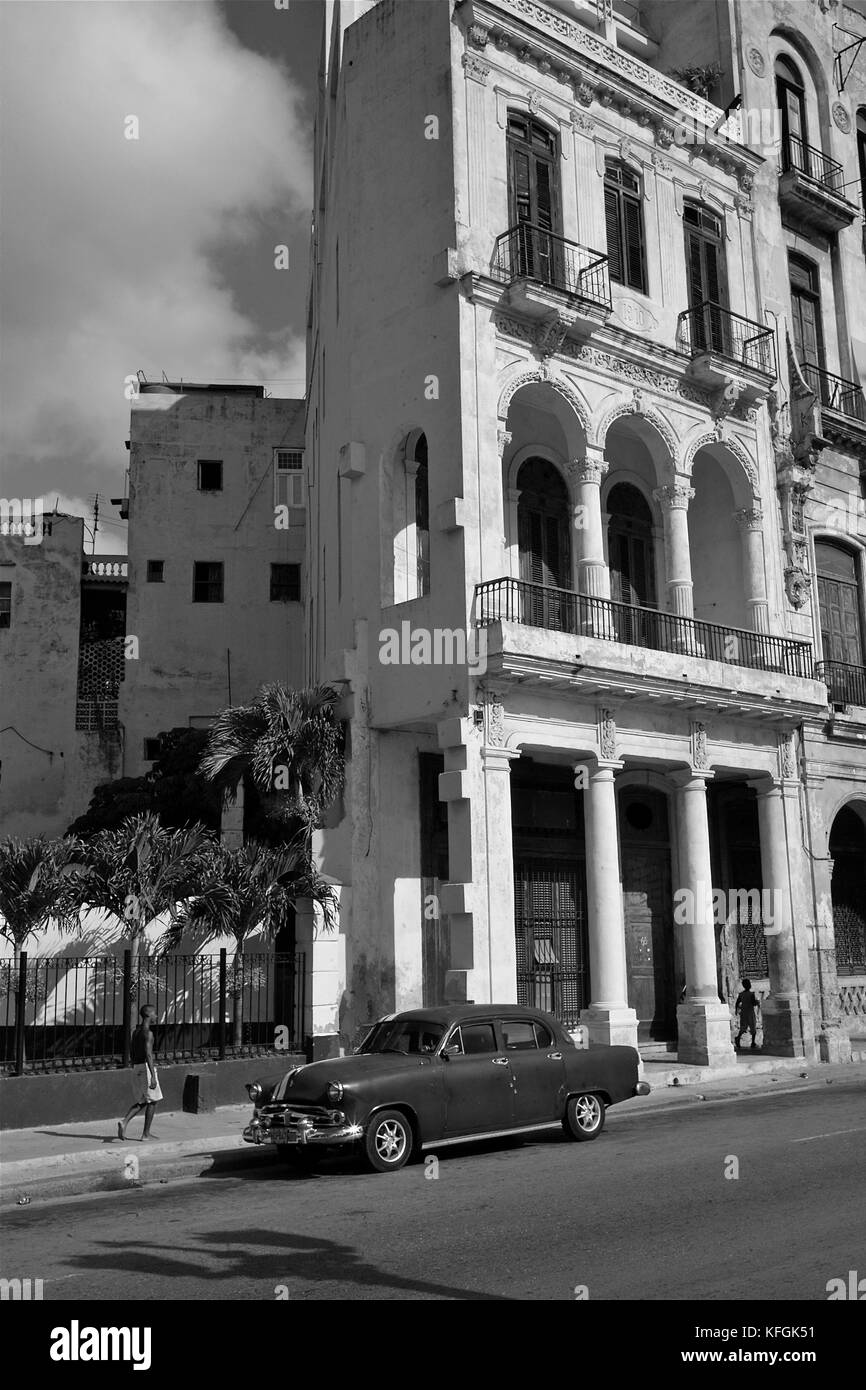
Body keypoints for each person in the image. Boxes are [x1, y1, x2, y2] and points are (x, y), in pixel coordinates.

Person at [117, 1005, 162, 1140]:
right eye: (155, 1014)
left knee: (143, 1101)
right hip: (145, 1068)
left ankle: (124, 1122)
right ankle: (146, 1134)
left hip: (136, 1067)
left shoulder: (136, 1032)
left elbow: (132, 1051)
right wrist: (153, 1075)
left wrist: (135, 1067)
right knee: (153, 1101)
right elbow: (148, 1055)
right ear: (148, 1015)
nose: (156, 1016)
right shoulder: (148, 1033)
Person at [734, 978, 760, 1051]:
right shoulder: (751, 994)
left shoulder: (741, 994)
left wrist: (736, 1010)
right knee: (753, 1026)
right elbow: (753, 1003)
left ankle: (738, 1037)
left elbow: (737, 1002)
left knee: (743, 1027)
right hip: (750, 1012)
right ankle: (753, 1042)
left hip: (743, 1012)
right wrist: (757, 1002)